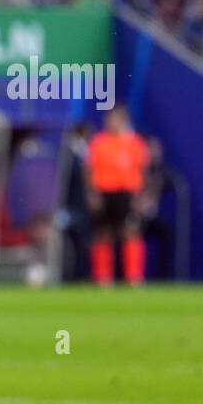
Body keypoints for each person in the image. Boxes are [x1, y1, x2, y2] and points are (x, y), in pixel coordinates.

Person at [85, 105, 148, 286]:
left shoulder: (135, 144)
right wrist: (92, 194)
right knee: (103, 233)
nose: (111, 122)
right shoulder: (99, 142)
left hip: (127, 193)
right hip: (105, 192)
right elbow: (89, 171)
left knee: (130, 232)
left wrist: (140, 196)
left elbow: (142, 171)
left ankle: (133, 276)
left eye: (115, 119)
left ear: (123, 120)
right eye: (109, 118)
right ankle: (102, 276)